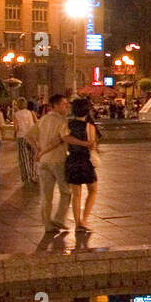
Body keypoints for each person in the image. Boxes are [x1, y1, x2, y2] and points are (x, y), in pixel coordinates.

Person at [35, 95, 73, 231]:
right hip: (57, 160)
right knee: (66, 191)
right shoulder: (62, 120)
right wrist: (43, 151)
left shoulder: (43, 119)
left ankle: (47, 225)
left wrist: (38, 151)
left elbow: (29, 135)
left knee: (46, 195)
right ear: (55, 106)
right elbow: (60, 139)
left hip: (43, 162)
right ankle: (59, 218)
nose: (66, 107)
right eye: (64, 104)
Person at [64, 99, 98, 232]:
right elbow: (92, 144)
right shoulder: (90, 126)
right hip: (85, 160)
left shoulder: (68, 124)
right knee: (93, 190)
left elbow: (65, 138)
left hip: (72, 159)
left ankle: (77, 223)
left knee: (76, 193)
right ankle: (85, 220)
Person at [12, 97, 38, 185]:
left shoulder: (16, 114)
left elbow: (16, 127)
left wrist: (14, 134)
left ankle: (26, 178)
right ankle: (34, 175)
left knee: (24, 158)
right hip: (31, 137)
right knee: (32, 158)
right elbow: (36, 124)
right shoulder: (31, 112)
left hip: (21, 136)